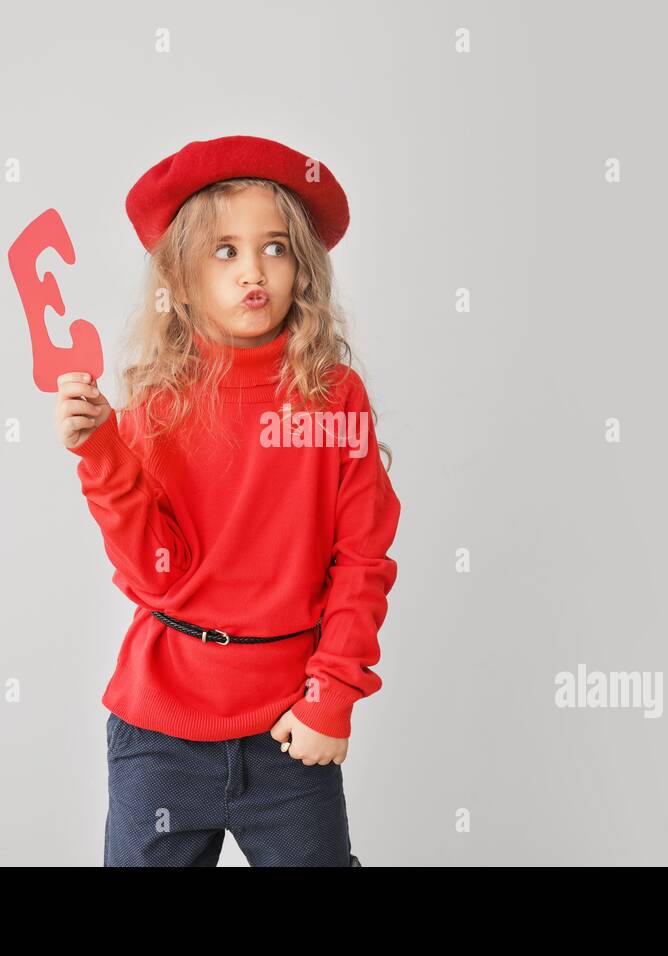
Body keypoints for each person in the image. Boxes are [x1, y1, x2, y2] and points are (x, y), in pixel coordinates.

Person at [53, 135, 401, 866]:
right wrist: (102, 452)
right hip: (162, 735)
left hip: (288, 729)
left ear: (301, 267)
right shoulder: (156, 402)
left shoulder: (335, 398)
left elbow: (362, 556)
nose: (253, 272)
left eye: (274, 249)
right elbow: (156, 576)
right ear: (178, 281)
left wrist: (332, 691)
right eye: (225, 252)